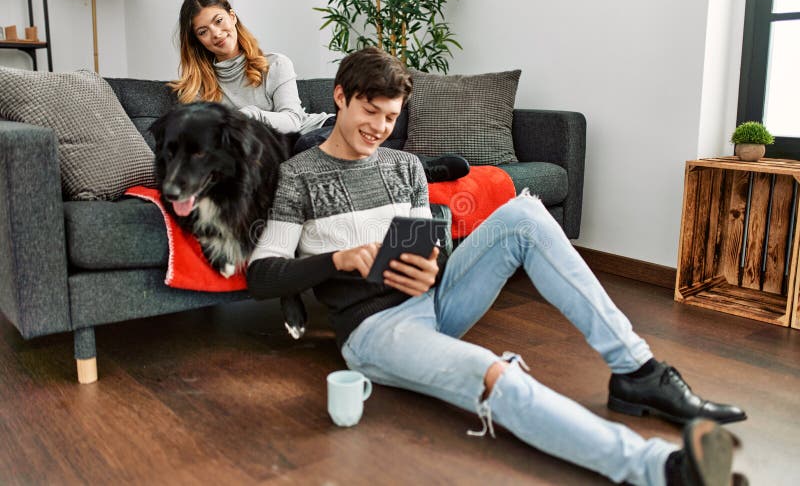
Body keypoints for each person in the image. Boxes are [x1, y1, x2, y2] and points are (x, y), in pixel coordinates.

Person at [247, 47, 746, 485]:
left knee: (524, 215)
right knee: (493, 373)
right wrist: (337, 259)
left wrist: (432, 266)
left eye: (390, 117)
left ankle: (638, 370)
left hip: (432, 300)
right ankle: (660, 469)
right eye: (369, 111)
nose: (379, 128)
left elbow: (424, 250)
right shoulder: (297, 177)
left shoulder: (405, 166)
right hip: (374, 329)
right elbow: (262, 274)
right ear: (340, 97)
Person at [170, 0, 469, 183]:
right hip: (278, 155)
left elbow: (292, 120)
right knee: (290, 163)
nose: (216, 33)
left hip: (320, 132)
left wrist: (249, 116)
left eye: (219, 21)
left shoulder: (275, 64)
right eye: (203, 31)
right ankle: (401, 167)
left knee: (306, 148)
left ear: (232, 17)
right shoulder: (197, 89)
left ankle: (419, 167)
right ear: (197, 40)